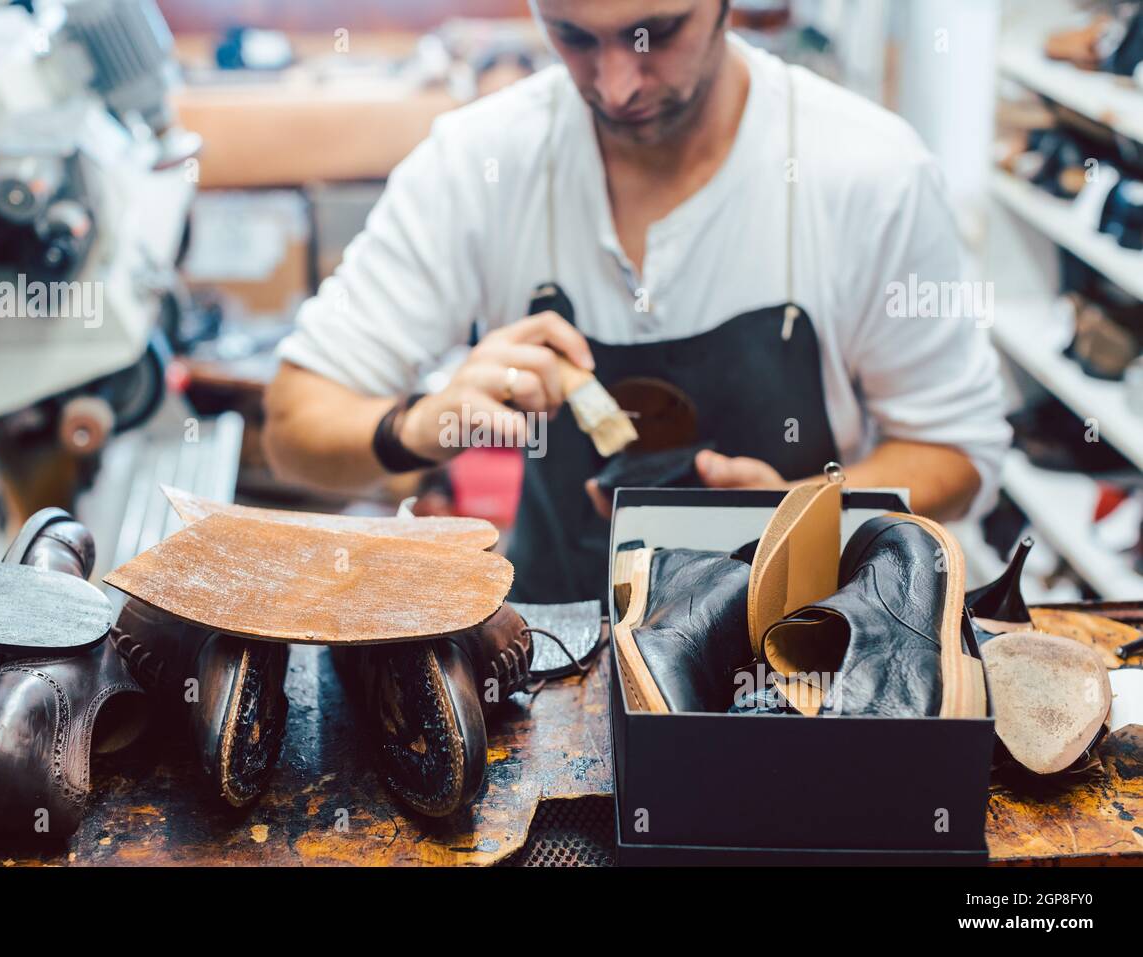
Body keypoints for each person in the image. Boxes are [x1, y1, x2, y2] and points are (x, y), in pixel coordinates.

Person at [263, 0, 1010, 606]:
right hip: (560, 640)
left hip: (804, 644)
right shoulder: (478, 165)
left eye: (657, 32)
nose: (617, 85)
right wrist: (422, 423)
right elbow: (293, 425)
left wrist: (810, 513)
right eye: (574, 36)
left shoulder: (869, 173)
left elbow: (959, 450)